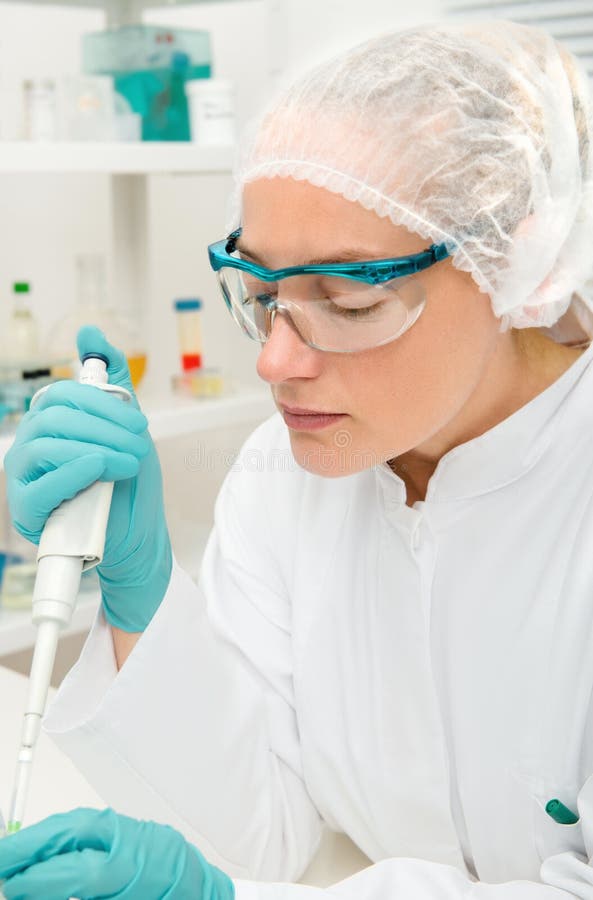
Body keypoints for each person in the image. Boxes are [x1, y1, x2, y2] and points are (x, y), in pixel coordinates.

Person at [1, 17, 593, 900]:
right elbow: (263, 833)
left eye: (347, 302)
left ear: (516, 264)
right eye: (262, 293)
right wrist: (143, 599)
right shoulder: (282, 477)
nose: (275, 362)